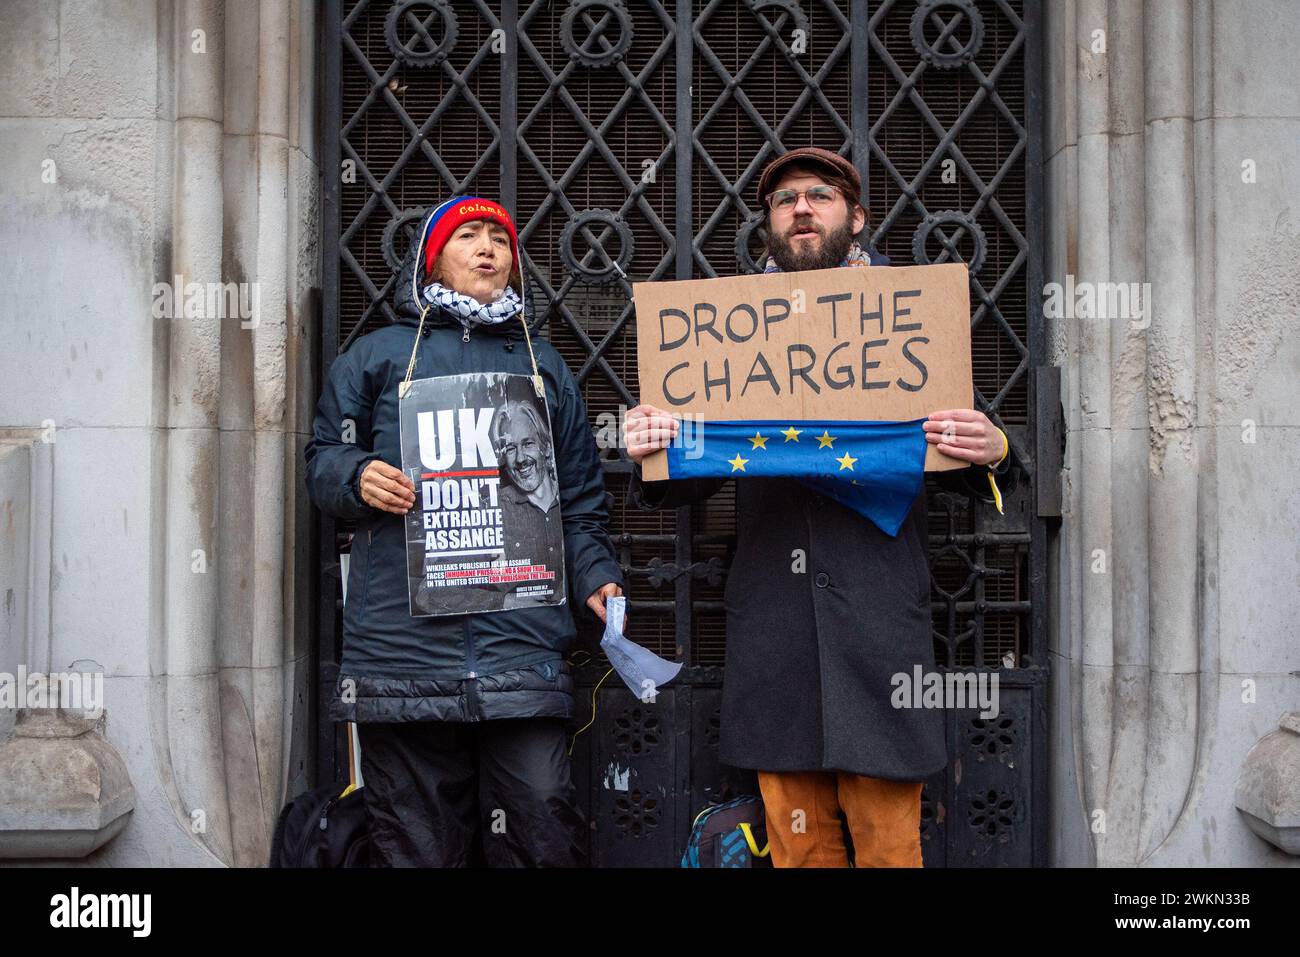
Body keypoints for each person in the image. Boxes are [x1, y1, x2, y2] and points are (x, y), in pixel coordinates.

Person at [623, 147, 1016, 868]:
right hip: (776, 633)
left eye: (821, 195)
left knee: (890, 847)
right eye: (785, 200)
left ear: (855, 217)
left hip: (878, 631)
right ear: (769, 225)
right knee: (799, 851)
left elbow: (953, 452)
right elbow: (685, 479)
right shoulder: (727, 328)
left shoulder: (908, 321)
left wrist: (994, 448)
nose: (802, 208)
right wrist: (653, 446)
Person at [305, 195, 624, 867]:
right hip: (404, 658)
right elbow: (321, 460)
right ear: (432, 260)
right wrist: (357, 475)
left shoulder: (545, 368)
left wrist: (595, 575)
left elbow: (581, 501)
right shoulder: (377, 358)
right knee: (417, 847)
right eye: (469, 236)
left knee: (541, 831)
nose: (487, 249)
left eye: (499, 240)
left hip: (521, 654)